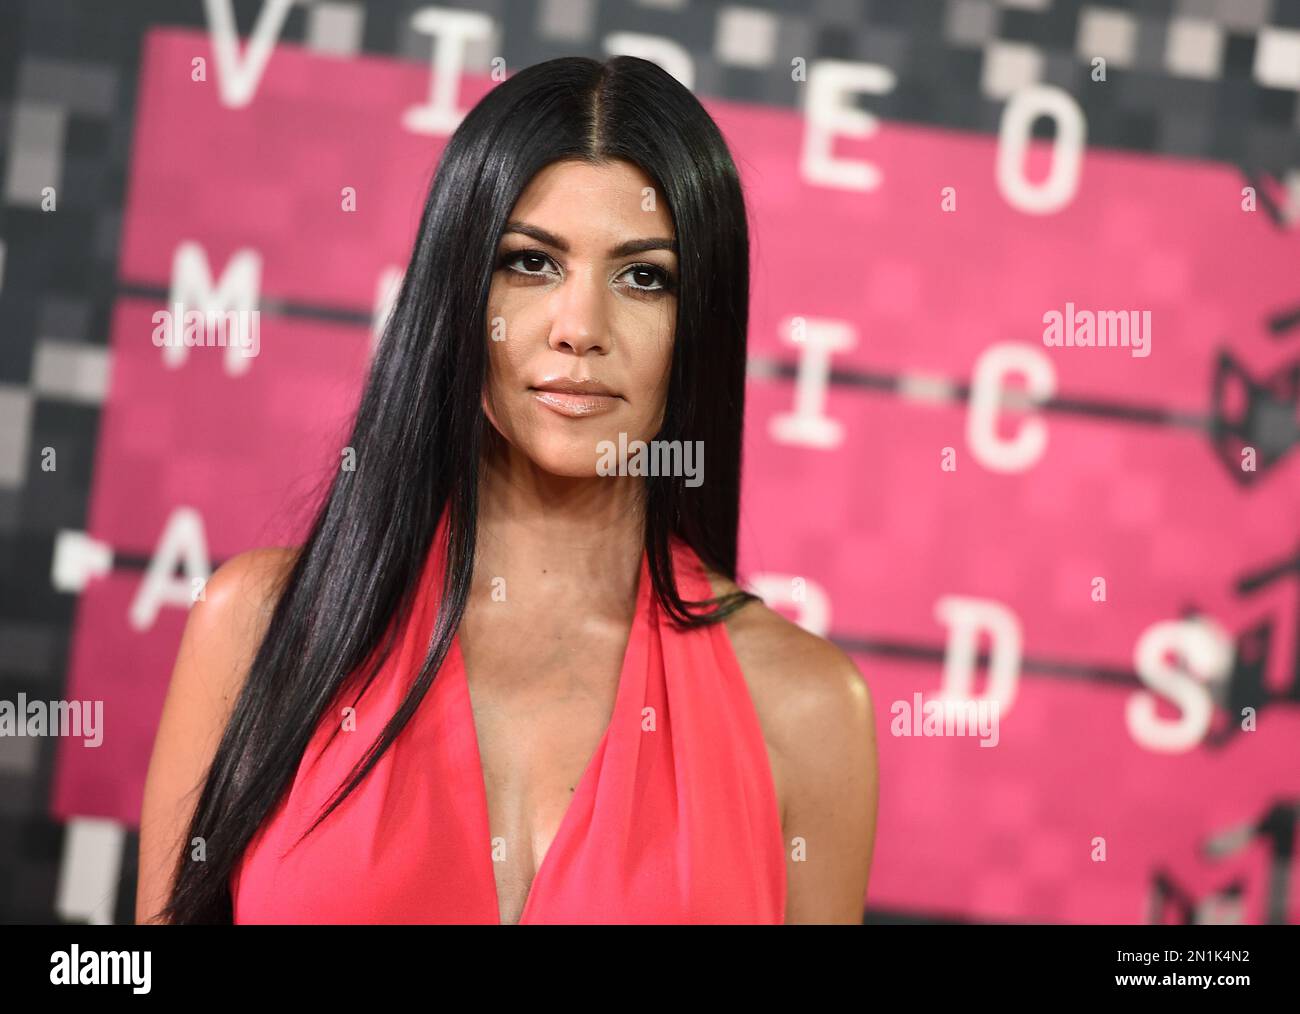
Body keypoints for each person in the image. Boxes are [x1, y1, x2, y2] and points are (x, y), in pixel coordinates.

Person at [136, 54, 877, 925]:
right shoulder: (260, 627)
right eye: (530, 263)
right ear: (458, 290)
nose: (580, 330)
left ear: (702, 321)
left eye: (645, 276)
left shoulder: (809, 708)